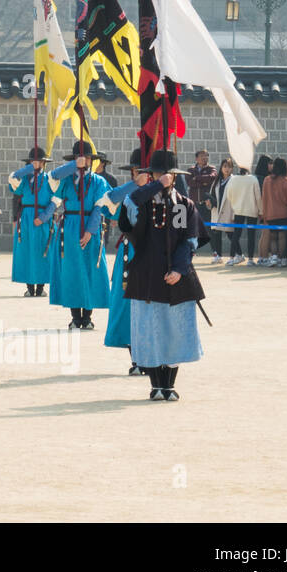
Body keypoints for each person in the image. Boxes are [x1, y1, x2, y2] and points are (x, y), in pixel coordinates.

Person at [122, 150, 207, 401]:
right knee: (151, 330)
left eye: (166, 174)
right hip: (147, 274)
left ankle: (169, 385)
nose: (164, 178)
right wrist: (155, 186)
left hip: (176, 277)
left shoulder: (183, 204)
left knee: (174, 332)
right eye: (158, 174)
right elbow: (128, 206)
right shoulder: (143, 201)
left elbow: (188, 240)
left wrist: (179, 270)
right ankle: (155, 384)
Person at [43, 140, 111, 330]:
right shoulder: (66, 180)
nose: (85, 160)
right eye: (81, 157)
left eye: (88, 158)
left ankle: (87, 317)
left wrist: (90, 230)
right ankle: (75, 316)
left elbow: (100, 208)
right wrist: (74, 166)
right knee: (71, 271)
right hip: (69, 228)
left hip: (91, 227)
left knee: (90, 270)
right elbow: (51, 177)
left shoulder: (99, 181)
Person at [102, 149, 147, 374]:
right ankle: (136, 360)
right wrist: (134, 185)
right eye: (135, 171)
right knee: (126, 303)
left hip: (153, 253)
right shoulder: (126, 194)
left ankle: (153, 359)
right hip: (129, 253)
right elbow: (105, 203)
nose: (138, 174)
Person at [8, 148, 53, 296]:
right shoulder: (24, 179)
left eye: (39, 161)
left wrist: (45, 216)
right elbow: (12, 179)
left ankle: (40, 287)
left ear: (43, 163)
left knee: (42, 251)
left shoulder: (49, 179)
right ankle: (29, 287)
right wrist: (29, 168)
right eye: (33, 162)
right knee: (26, 251)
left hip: (42, 217)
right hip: (26, 217)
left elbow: (56, 201)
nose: (36, 164)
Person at [225, 163, 262, 266]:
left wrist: (234, 204)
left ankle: (231, 258)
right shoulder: (253, 179)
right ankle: (250, 259)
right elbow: (258, 196)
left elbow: (229, 195)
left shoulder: (233, 179)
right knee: (251, 235)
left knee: (236, 234)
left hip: (238, 210)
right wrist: (261, 210)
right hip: (252, 210)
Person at [260, 158, 287, 266]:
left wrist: (264, 215)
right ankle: (282, 258)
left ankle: (274, 257)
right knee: (282, 236)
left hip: (270, 214)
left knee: (273, 237)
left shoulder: (266, 180)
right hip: (284, 214)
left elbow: (264, 199)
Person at [210, 157, 235, 264]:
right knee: (216, 234)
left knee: (231, 235)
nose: (227, 169)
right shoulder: (217, 181)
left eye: (229, 167)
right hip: (217, 210)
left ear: (232, 169)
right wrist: (209, 202)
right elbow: (212, 194)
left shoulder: (234, 180)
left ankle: (236, 255)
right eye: (225, 166)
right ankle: (218, 255)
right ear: (221, 168)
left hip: (229, 210)